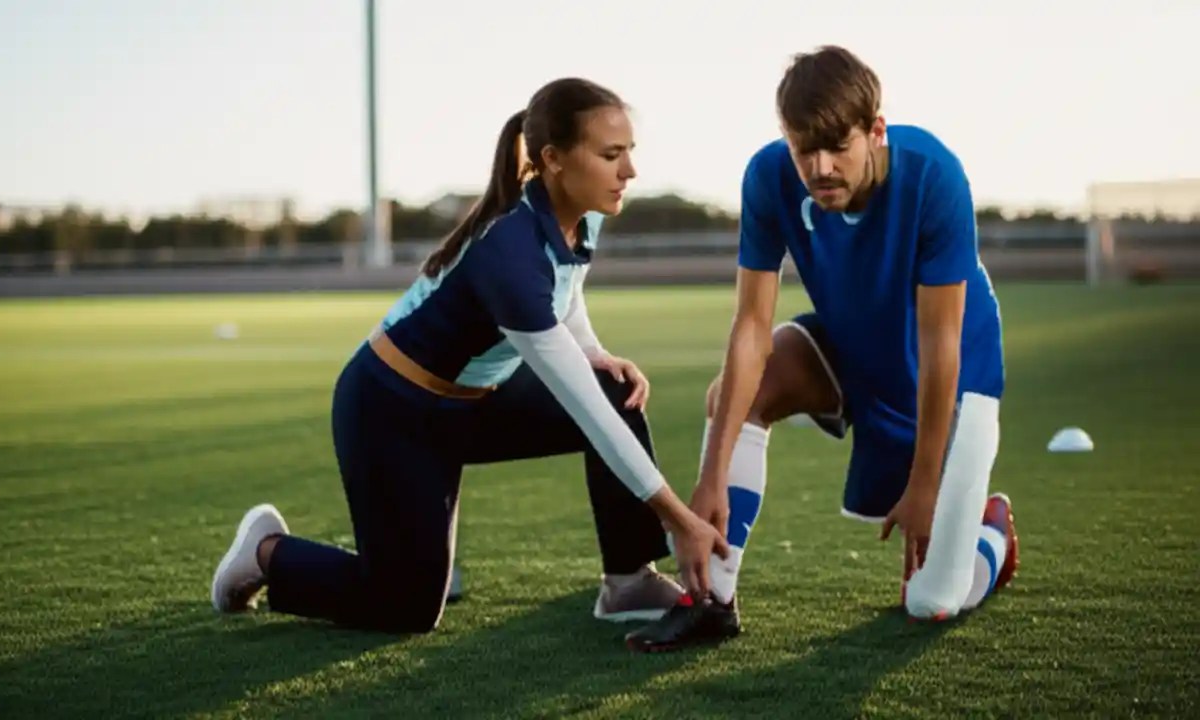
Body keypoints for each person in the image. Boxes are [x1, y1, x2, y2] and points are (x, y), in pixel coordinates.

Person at [210, 77, 729, 634]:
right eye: (611, 155)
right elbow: (588, 416)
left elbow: (567, 290)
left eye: (630, 152)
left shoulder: (586, 211)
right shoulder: (508, 251)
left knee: (613, 387)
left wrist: (594, 351)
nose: (629, 171)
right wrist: (679, 519)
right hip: (391, 412)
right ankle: (266, 551)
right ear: (553, 160)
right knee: (406, 608)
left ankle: (629, 583)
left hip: (474, 405)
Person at [626, 46, 1020, 652]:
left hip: (956, 375)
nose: (820, 166)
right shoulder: (767, 177)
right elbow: (751, 326)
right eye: (803, 147)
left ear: (875, 131)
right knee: (734, 395)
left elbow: (942, 343)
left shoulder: (934, 174)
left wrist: (924, 484)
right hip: (851, 346)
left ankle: (990, 531)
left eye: (838, 145)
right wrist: (709, 477)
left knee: (934, 600)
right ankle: (713, 600)